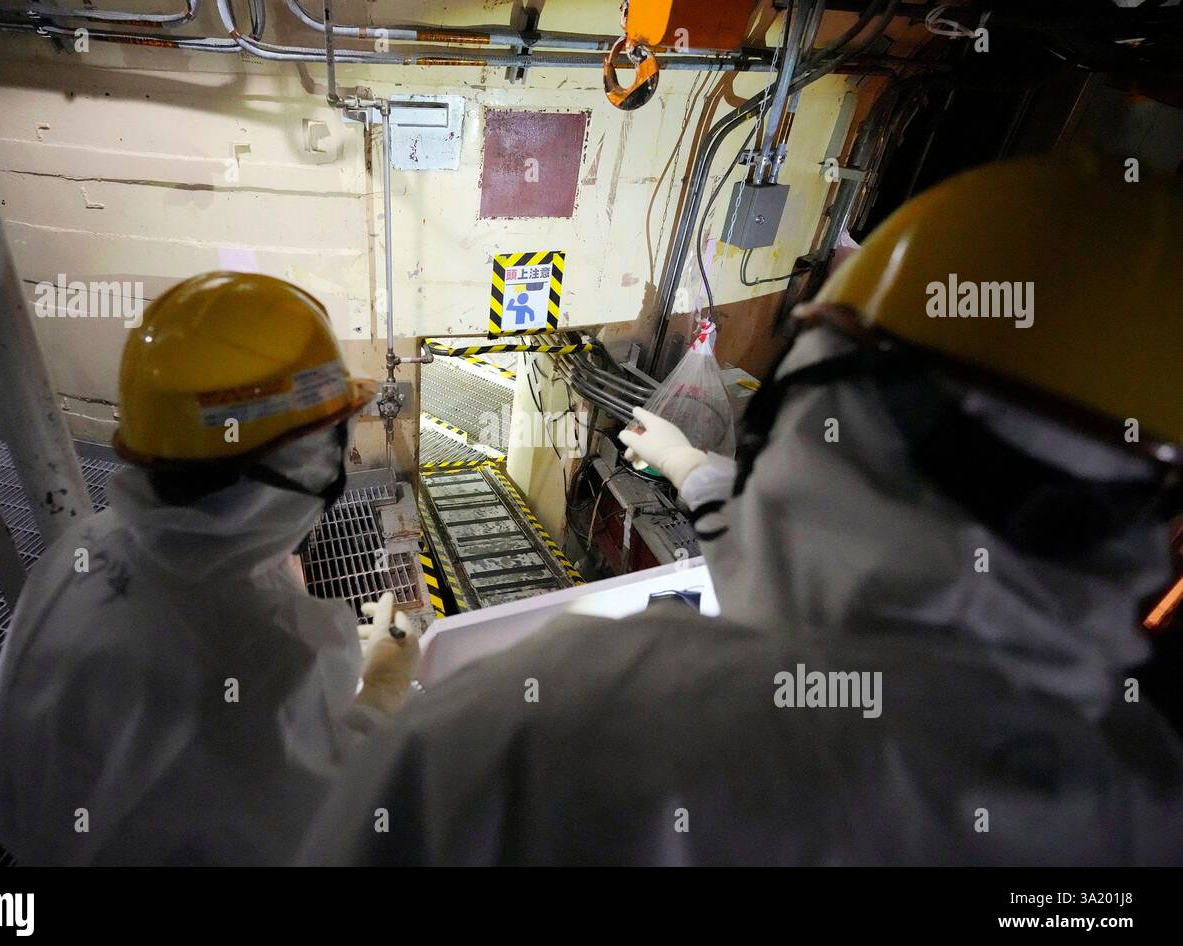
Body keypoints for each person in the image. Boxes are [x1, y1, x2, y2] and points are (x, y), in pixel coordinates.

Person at [305, 153, 1183, 865]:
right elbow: (852, 561)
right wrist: (690, 467)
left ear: (814, 405)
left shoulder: (546, 728)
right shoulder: (1140, 790)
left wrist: (381, 691)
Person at [0, 272, 420, 865]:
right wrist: (381, 694)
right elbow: (342, 826)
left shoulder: (87, 546)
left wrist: (265, 584)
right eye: (335, 439)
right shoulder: (263, 663)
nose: (342, 458)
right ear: (295, 460)